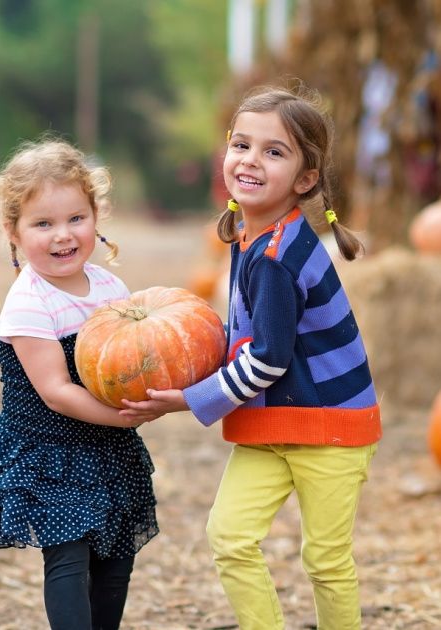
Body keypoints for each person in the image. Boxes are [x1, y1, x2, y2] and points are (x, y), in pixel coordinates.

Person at [123, 86, 381, 629]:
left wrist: (188, 398)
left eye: (274, 152)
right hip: (276, 422)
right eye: (241, 145)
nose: (250, 160)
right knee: (230, 536)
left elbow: (267, 359)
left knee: (325, 559)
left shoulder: (276, 259)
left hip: (330, 427)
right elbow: (248, 334)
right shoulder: (253, 239)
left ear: (305, 179)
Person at [0, 139, 162, 630]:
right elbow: (55, 390)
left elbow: (128, 357)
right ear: (12, 231)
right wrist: (123, 416)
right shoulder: (29, 303)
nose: (63, 235)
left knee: (116, 559)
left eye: (76, 218)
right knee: (69, 559)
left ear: (97, 216)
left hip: (107, 447)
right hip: (50, 449)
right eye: (43, 224)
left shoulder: (111, 288)